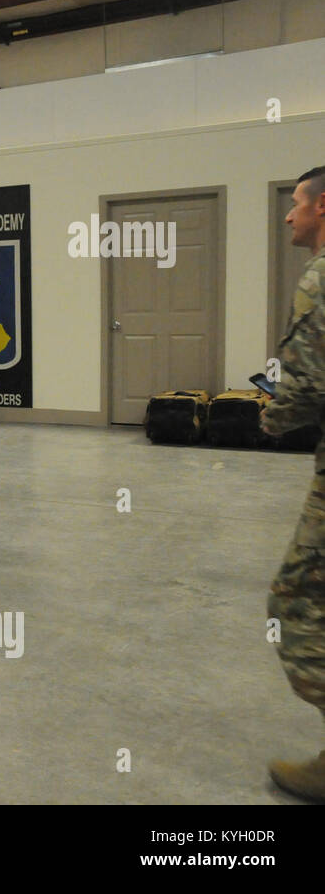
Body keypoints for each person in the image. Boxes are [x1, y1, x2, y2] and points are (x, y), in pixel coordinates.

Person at [261, 164, 325, 801]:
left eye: (297, 204)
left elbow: (305, 388)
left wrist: (272, 414)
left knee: (296, 603)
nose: (289, 215)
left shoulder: (320, 278)